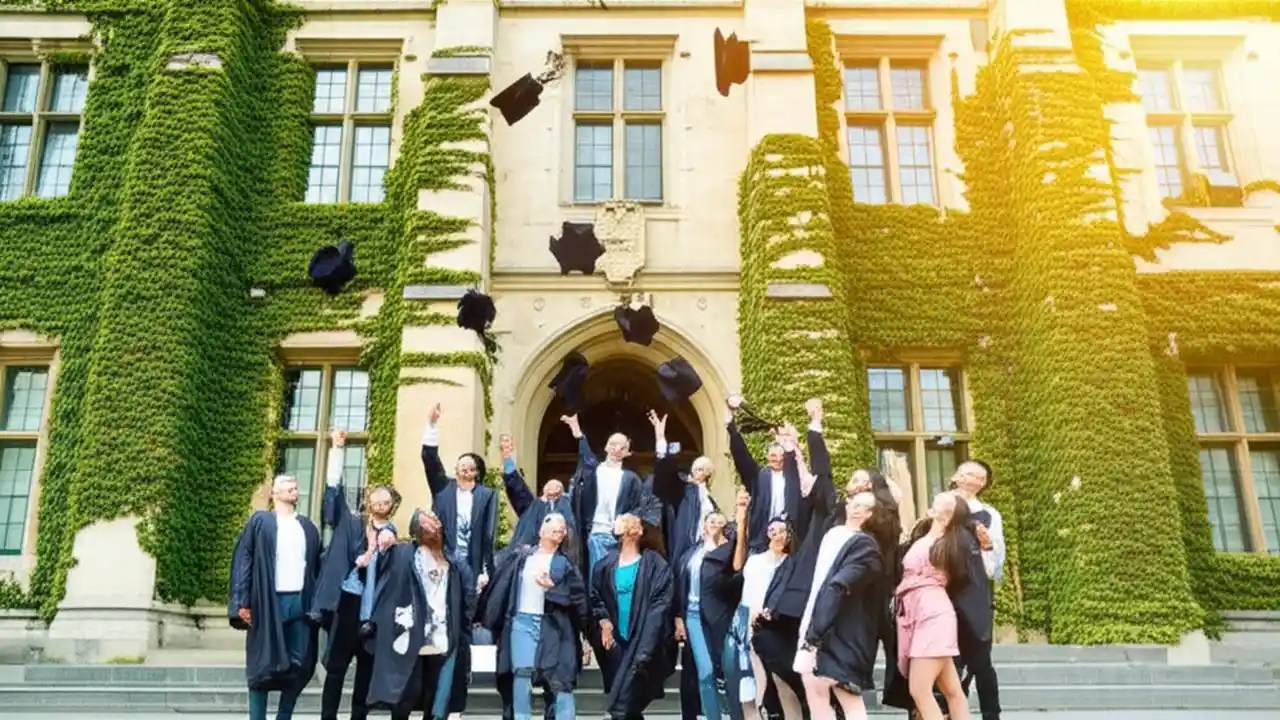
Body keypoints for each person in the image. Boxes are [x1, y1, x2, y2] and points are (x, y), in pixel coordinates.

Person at [311, 429, 399, 720]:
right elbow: (332, 499)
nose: (380, 504)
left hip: (375, 614)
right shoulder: (351, 524)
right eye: (376, 500)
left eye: (386, 502)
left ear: (391, 506)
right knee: (336, 672)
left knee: (365, 677)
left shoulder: (393, 537)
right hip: (348, 607)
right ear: (369, 501)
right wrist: (337, 451)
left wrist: (387, 545)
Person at [227, 472, 323, 720]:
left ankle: (284, 716)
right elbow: (243, 560)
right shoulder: (261, 522)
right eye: (287, 486)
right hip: (267, 603)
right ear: (275, 493)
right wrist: (241, 602)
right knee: (262, 666)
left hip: (300, 602)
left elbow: (317, 567)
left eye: (295, 486)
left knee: (299, 664)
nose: (294, 489)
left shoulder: (308, 527)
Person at [366, 510, 477, 720]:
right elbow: (384, 581)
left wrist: (461, 626)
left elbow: (468, 594)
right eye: (428, 522)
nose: (434, 525)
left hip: (442, 636)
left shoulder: (453, 561)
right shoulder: (403, 554)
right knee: (407, 693)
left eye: (436, 520)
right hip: (409, 635)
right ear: (417, 530)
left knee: (435, 696)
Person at [484, 514, 590, 720]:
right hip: (522, 622)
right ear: (541, 530)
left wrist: (555, 588)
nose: (558, 530)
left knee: (560, 679)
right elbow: (502, 587)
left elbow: (579, 600)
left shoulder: (565, 564)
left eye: (561, 529)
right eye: (553, 526)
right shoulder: (521, 557)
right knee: (521, 674)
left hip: (554, 626)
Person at [794, 492, 886, 720]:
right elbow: (820, 583)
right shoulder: (833, 534)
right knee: (814, 691)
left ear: (869, 514)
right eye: (854, 503)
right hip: (816, 620)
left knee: (847, 696)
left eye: (863, 506)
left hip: (841, 630)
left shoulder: (865, 545)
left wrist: (815, 633)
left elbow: (838, 586)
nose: (856, 509)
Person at [894, 492, 975, 720]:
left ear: (948, 516)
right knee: (953, 691)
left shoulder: (945, 544)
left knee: (920, 690)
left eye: (944, 503)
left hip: (930, 614)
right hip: (928, 612)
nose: (937, 501)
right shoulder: (933, 539)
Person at [589, 513, 676, 720]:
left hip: (644, 642)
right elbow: (595, 597)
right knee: (626, 705)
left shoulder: (656, 565)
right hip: (616, 641)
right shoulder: (605, 565)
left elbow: (660, 607)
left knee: (624, 704)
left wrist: (645, 651)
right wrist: (604, 621)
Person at [421, 402, 498, 594]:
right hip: (443, 556)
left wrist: (485, 568)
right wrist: (431, 425)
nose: (464, 468)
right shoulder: (443, 487)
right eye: (461, 464)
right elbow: (430, 461)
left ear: (476, 473)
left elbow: (488, 535)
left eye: (470, 466)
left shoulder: (487, 495)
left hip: (472, 562)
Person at [673, 509, 741, 720]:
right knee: (705, 672)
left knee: (728, 672)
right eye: (711, 520)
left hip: (720, 616)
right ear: (703, 525)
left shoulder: (728, 553)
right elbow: (679, 583)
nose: (714, 524)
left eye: (719, 521)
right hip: (692, 616)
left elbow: (737, 576)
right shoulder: (691, 553)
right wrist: (678, 617)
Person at [950, 460, 1004, 720]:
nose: (972, 479)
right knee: (945, 659)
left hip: (975, 590)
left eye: (979, 477)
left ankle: (990, 714)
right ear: (957, 475)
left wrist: (984, 547)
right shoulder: (941, 505)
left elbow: (994, 561)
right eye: (968, 473)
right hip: (942, 591)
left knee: (981, 661)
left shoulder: (989, 514)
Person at [563, 413, 646, 576]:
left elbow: (639, 507)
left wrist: (625, 520)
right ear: (606, 446)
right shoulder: (594, 471)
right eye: (613, 444)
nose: (616, 449)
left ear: (628, 452)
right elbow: (586, 457)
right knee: (597, 580)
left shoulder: (631, 479)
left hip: (619, 537)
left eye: (622, 447)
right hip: (593, 533)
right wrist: (578, 433)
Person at [727, 400, 805, 555]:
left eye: (780, 455)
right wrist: (731, 427)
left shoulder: (794, 476)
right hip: (761, 540)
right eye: (772, 455)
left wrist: (789, 440)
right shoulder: (759, 477)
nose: (776, 458)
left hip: (790, 540)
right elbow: (742, 458)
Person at [650, 409, 719, 567]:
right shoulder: (683, 490)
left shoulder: (710, 499)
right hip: (685, 550)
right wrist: (661, 440)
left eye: (702, 469)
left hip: (706, 550)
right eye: (696, 468)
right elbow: (664, 478)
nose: (697, 471)